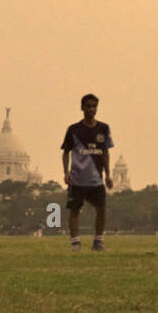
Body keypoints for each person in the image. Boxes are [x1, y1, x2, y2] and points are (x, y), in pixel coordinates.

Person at [61, 93, 114, 252]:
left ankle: (98, 242)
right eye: (88, 106)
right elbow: (66, 152)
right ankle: (75, 242)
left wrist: (108, 174)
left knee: (102, 210)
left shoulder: (103, 128)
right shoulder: (74, 129)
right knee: (75, 210)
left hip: (96, 179)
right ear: (82, 107)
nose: (91, 109)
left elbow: (105, 152)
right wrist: (66, 172)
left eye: (94, 106)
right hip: (77, 179)